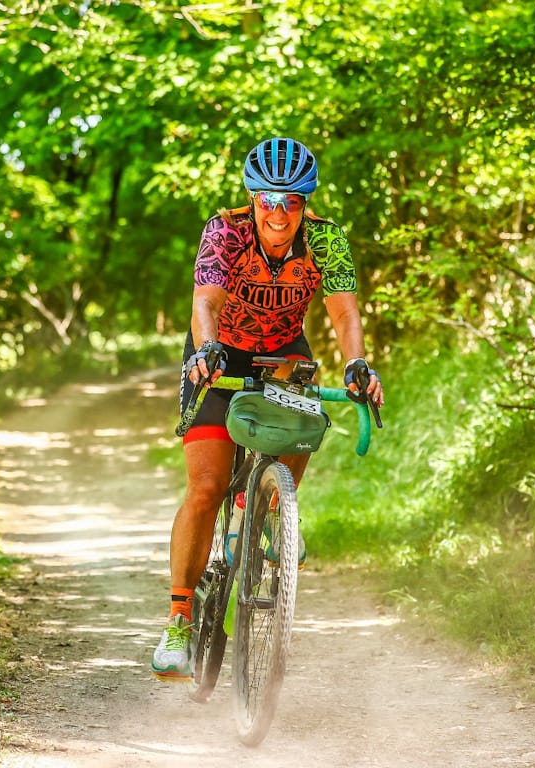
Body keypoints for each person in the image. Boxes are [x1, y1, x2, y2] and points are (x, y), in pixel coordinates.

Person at [151, 137, 385, 682]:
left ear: (306, 204)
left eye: (292, 203)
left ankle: (274, 510)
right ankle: (179, 620)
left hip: (283, 355)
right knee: (206, 488)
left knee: (302, 424)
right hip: (218, 351)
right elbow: (204, 303)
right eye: (268, 202)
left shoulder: (326, 240)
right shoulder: (225, 230)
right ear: (253, 200)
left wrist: (357, 363)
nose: (279, 215)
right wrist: (207, 349)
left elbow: (345, 313)